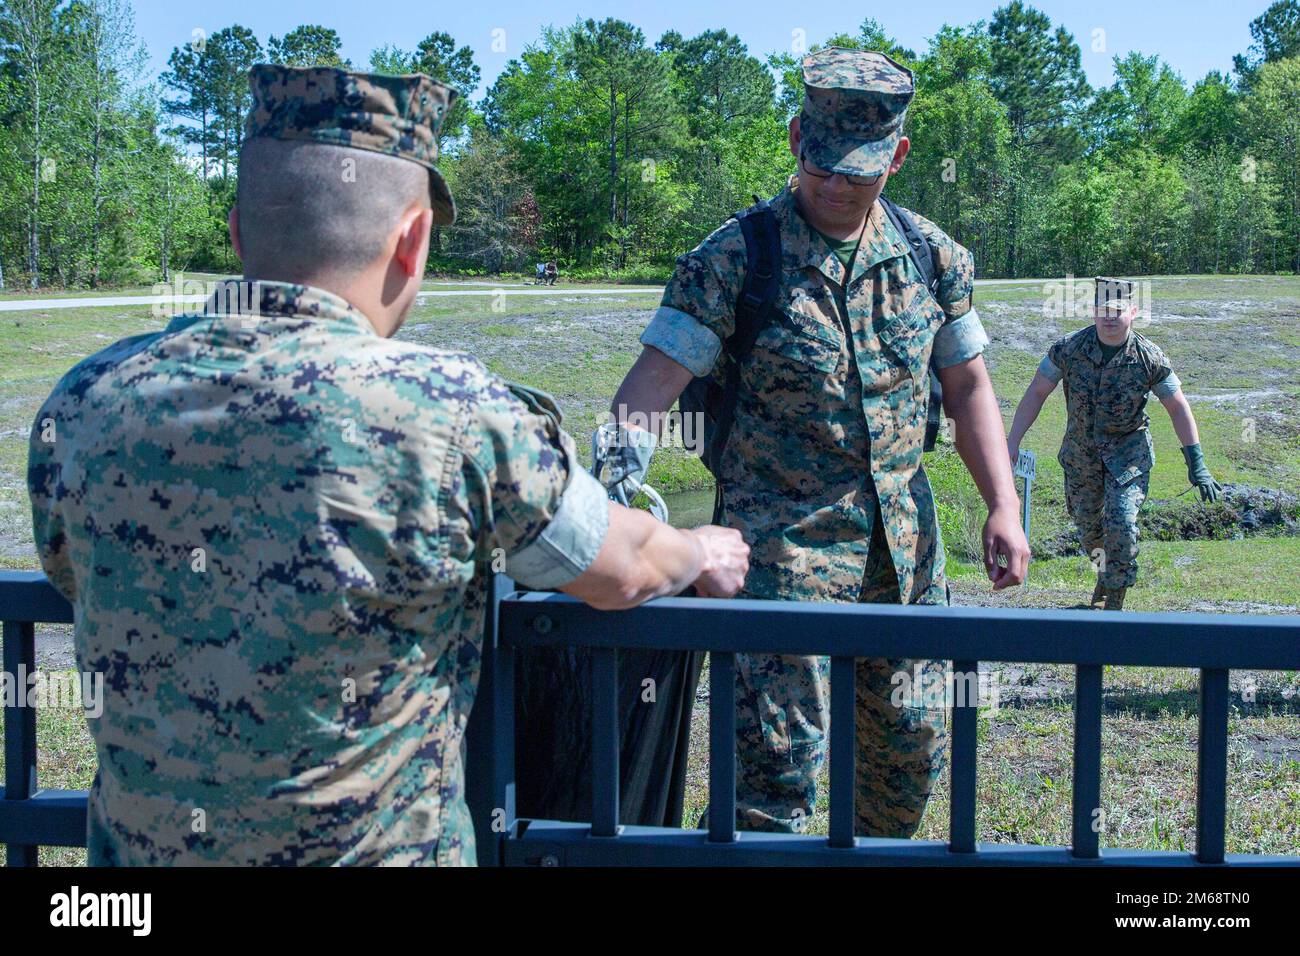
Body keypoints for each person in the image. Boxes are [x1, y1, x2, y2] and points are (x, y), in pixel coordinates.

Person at [26, 65, 748, 866]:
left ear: (235, 234)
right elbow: (620, 567)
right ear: (413, 241)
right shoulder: (450, 412)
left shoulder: (84, 401)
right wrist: (698, 549)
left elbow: (74, 574)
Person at [606, 47, 1029, 837]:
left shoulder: (935, 259)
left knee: (907, 767)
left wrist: (1004, 504)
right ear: (797, 135)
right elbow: (648, 392)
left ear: (897, 157)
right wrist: (603, 514)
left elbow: (968, 387)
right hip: (775, 571)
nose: (835, 185)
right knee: (770, 789)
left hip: (904, 565)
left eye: (859, 172)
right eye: (820, 164)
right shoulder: (735, 259)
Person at [1008, 277, 1220, 610]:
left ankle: (1115, 602)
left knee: (1121, 521)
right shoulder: (1068, 349)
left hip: (1128, 457)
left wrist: (1197, 464)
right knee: (1089, 531)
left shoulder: (1149, 356)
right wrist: (1012, 442)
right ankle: (1105, 577)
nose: (1109, 317)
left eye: (1117, 311)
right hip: (1081, 456)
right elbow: (1036, 392)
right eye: (1103, 310)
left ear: (1133, 312)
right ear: (1093, 311)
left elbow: (1177, 406)